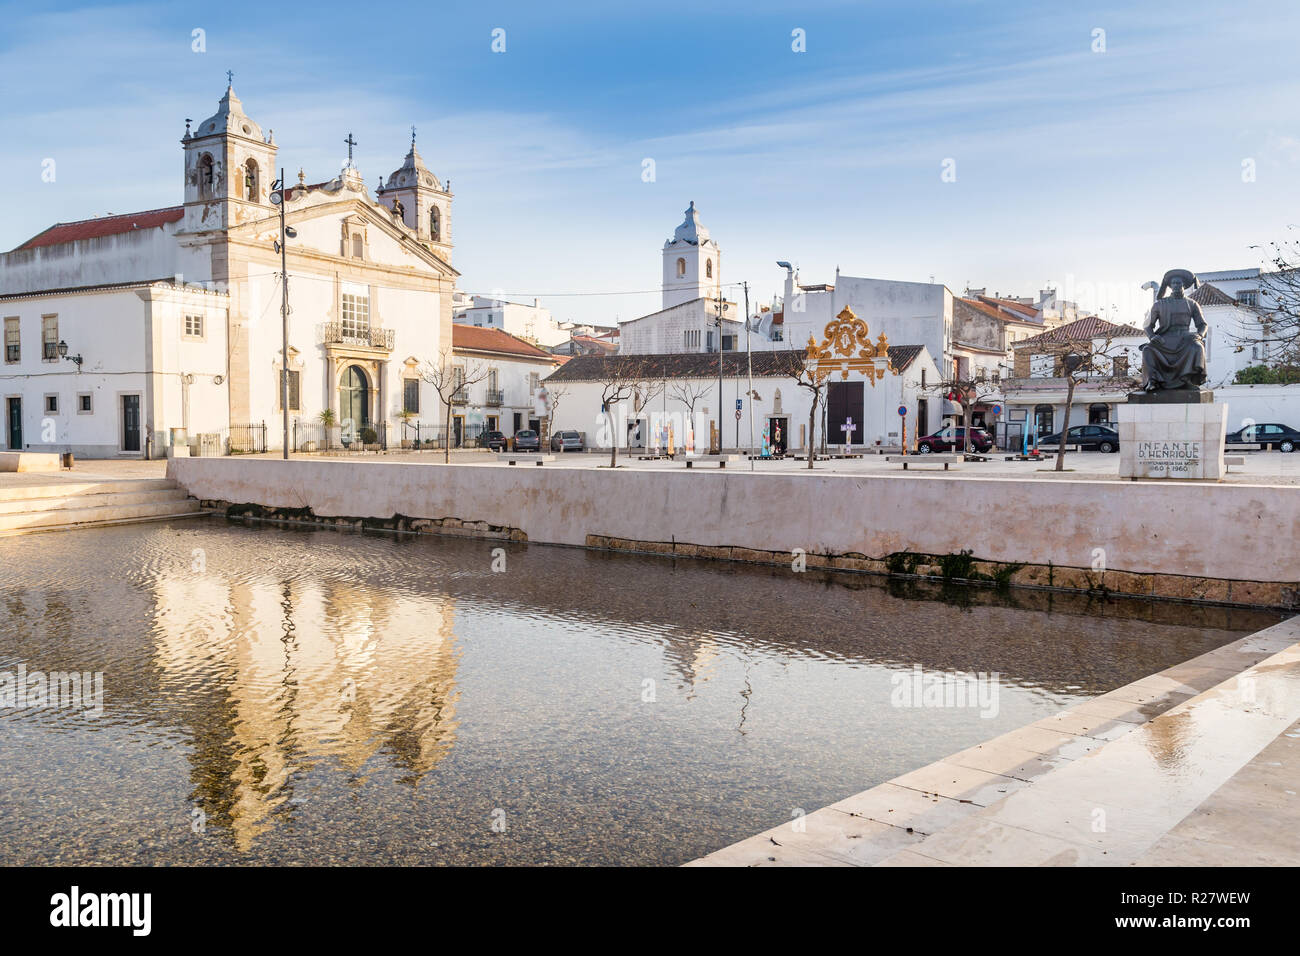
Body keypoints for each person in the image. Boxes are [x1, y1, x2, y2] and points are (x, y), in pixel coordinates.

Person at [1140, 269, 1208, 391]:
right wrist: (1152, 337)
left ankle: (1187, 380)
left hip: (1185, 339)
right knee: (1147, 350)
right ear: (1170, 286)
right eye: (1174, 283)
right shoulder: (1160, 304)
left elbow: (1202, 324)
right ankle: (1152, 381)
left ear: (1184, 285)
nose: (1176, 285)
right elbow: (1148, 326)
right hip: (1165, 340)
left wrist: (1199, 335)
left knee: (1198, 347)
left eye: (1179, 283)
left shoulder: (1192, 304)